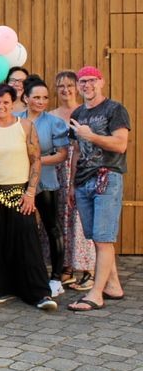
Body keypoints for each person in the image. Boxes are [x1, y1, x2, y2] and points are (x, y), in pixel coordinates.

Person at [0, 84, 56, 311]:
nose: (1, 106)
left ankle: (38, 293)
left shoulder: (26, 126)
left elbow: (35, 159)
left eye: (6, 102)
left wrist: (31, 193)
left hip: (22, 193)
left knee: (27, 242)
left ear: (14, 103)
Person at [67, 66, 130, 312]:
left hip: (107, 177)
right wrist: (72, 184)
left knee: (104, 238)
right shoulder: (78, 112)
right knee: (96, 236)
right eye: (82, 82)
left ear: (101, 82)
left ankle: (96, 294)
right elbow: (77, 152)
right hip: (83, 181)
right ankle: (113, 286)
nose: (87, 85)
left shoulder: (115, 109)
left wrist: (91, 135)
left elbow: (121, 144)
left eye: (92, 80)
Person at [18, 77, 68, 298]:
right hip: (18, 181)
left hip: (46, 181)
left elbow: (62, 154)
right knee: (22, 229)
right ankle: (23, 274)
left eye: (45, 98)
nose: (41, 101)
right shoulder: (14, 119)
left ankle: (56, 277)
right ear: (25, 98)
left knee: (52, 227)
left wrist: (35, 160)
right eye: (36, 97)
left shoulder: (54, 123)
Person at [49, 70, 95, 291]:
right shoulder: (52, 114)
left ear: (77, 87)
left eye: (69, 85)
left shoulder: (84, 112)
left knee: (80, 218)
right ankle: (66, 266)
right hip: (57, 171)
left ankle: (88, 269)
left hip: (79, 170)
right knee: (61, 218)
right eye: (60, 86)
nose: (65, 90)